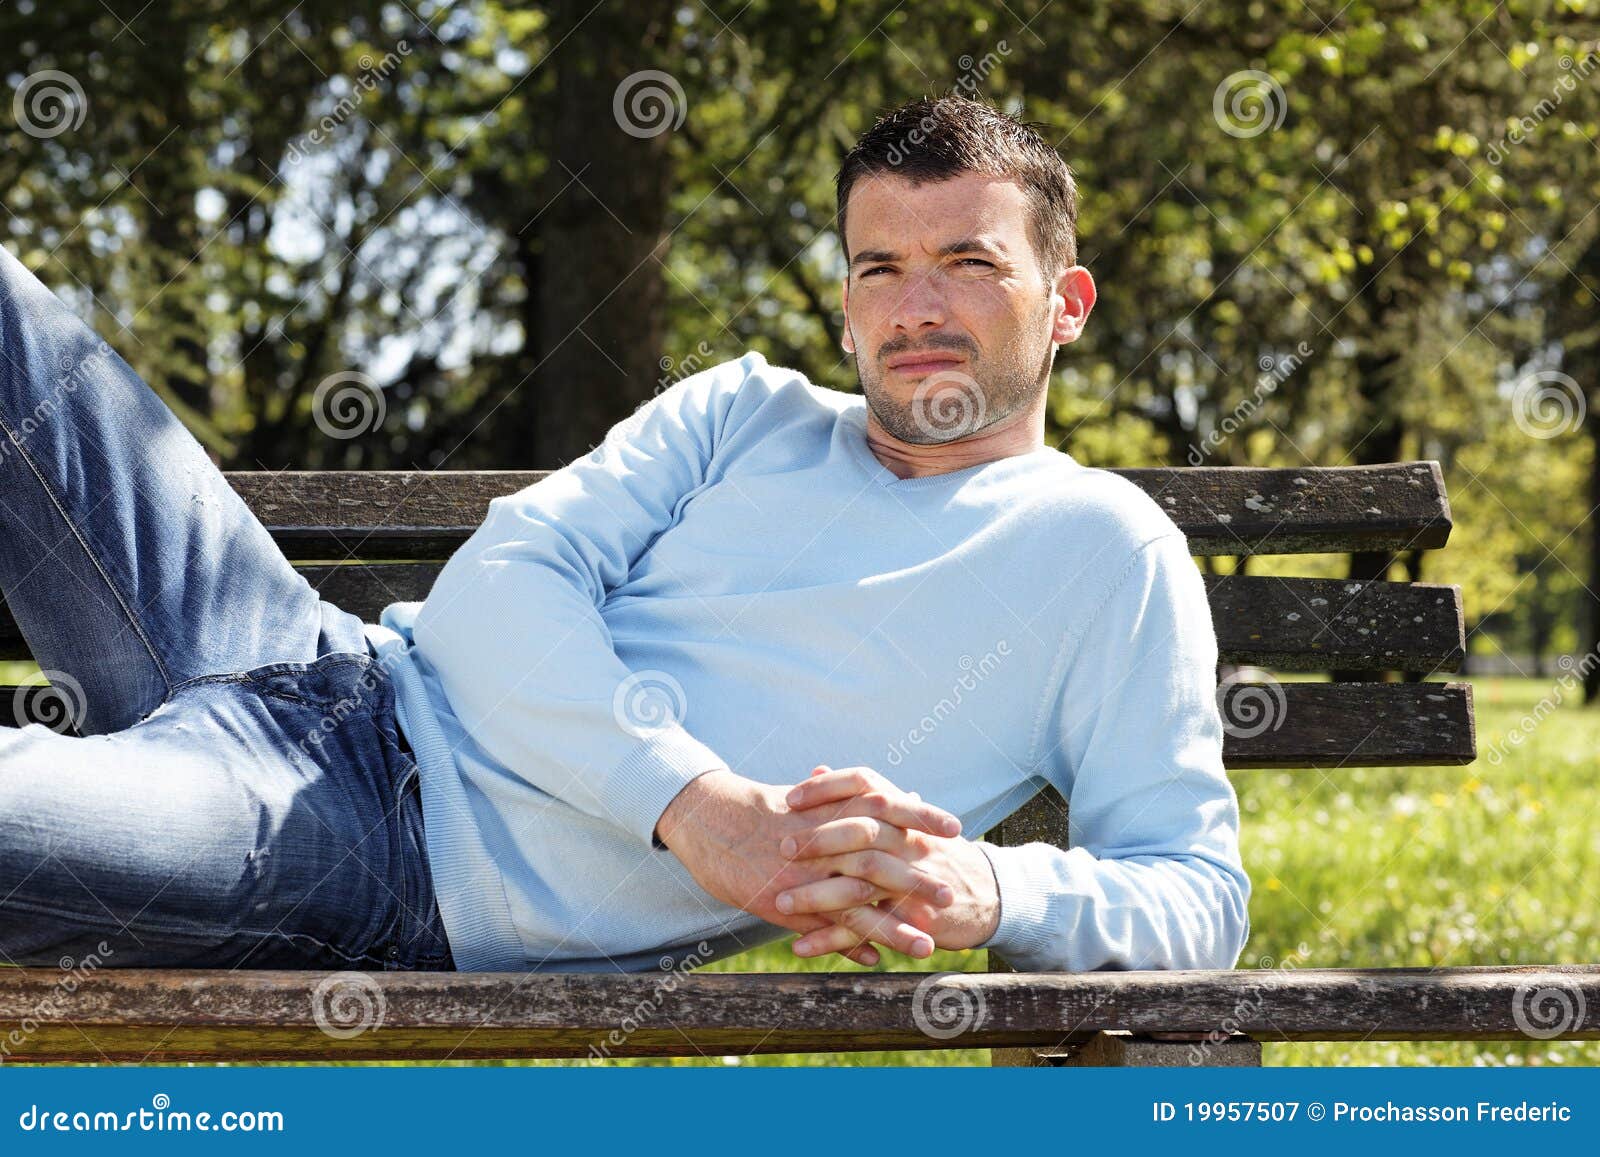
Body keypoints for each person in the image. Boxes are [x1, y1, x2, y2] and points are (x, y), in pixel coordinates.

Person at [0, 93, 1248, 976]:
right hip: (311, 655)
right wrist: (697, 807)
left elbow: (1197, 891)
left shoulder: (1105, 553)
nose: (914, 307)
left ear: (1065, 302)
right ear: (845, 305)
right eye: (878, 268)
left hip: (383, 850)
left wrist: (995, 886)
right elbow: (499, 584)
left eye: (967, 262)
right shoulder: (741, 409)